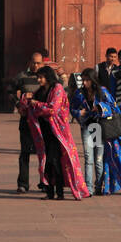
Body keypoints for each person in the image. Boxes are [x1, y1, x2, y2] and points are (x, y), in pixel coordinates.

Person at [25, 65, 89, 200]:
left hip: (57, 132)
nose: (39, 80)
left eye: (41, 77)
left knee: (54, 160)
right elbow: (34, 105)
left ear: (48, 77)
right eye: (38, 77)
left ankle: (58, 192)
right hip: (45, 130)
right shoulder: (41, 90)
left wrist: (36, 104)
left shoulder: (57, 89)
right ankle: (50, 191)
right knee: (47, 160)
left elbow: (53, 108)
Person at [10, 51, 45, 193]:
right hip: (26, 119)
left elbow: (59, 91)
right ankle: (23, 183)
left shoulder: (46, 77)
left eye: (38, 63)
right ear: (29, 62)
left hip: (42, 120)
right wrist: (18, 105)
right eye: (34, 62)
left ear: (42, 63)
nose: (36, 65)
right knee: (25, 151)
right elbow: (10, 91)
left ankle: (45, 182)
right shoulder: (22, 77)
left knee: (44, 153)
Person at [70, 71, 103, 195]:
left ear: (93, 80)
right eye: (83, 80)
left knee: (98, 159)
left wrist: (100, 108)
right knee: (89, 158)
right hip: (87, 126)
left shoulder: (101, 92)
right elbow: (72, 108)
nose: (84, 83)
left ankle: (99, 186)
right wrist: (79, 113)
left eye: (87, 80)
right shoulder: (79, 93)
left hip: (98, 127)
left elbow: (111, 106)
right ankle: (88, 188)